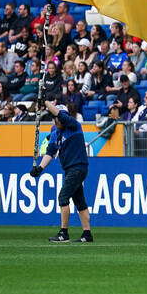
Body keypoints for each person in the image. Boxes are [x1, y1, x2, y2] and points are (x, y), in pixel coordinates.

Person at [29, 100, 93, 243]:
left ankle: (64, 233)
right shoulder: (55, 132)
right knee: (79, 201)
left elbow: (59, 114)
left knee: (63, 198)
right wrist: (39, 168)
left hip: (78, 167)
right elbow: (50, 152)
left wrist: (45, 102)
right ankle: (87, 234)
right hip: (70, 169)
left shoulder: (73, 125)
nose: (58, 120)